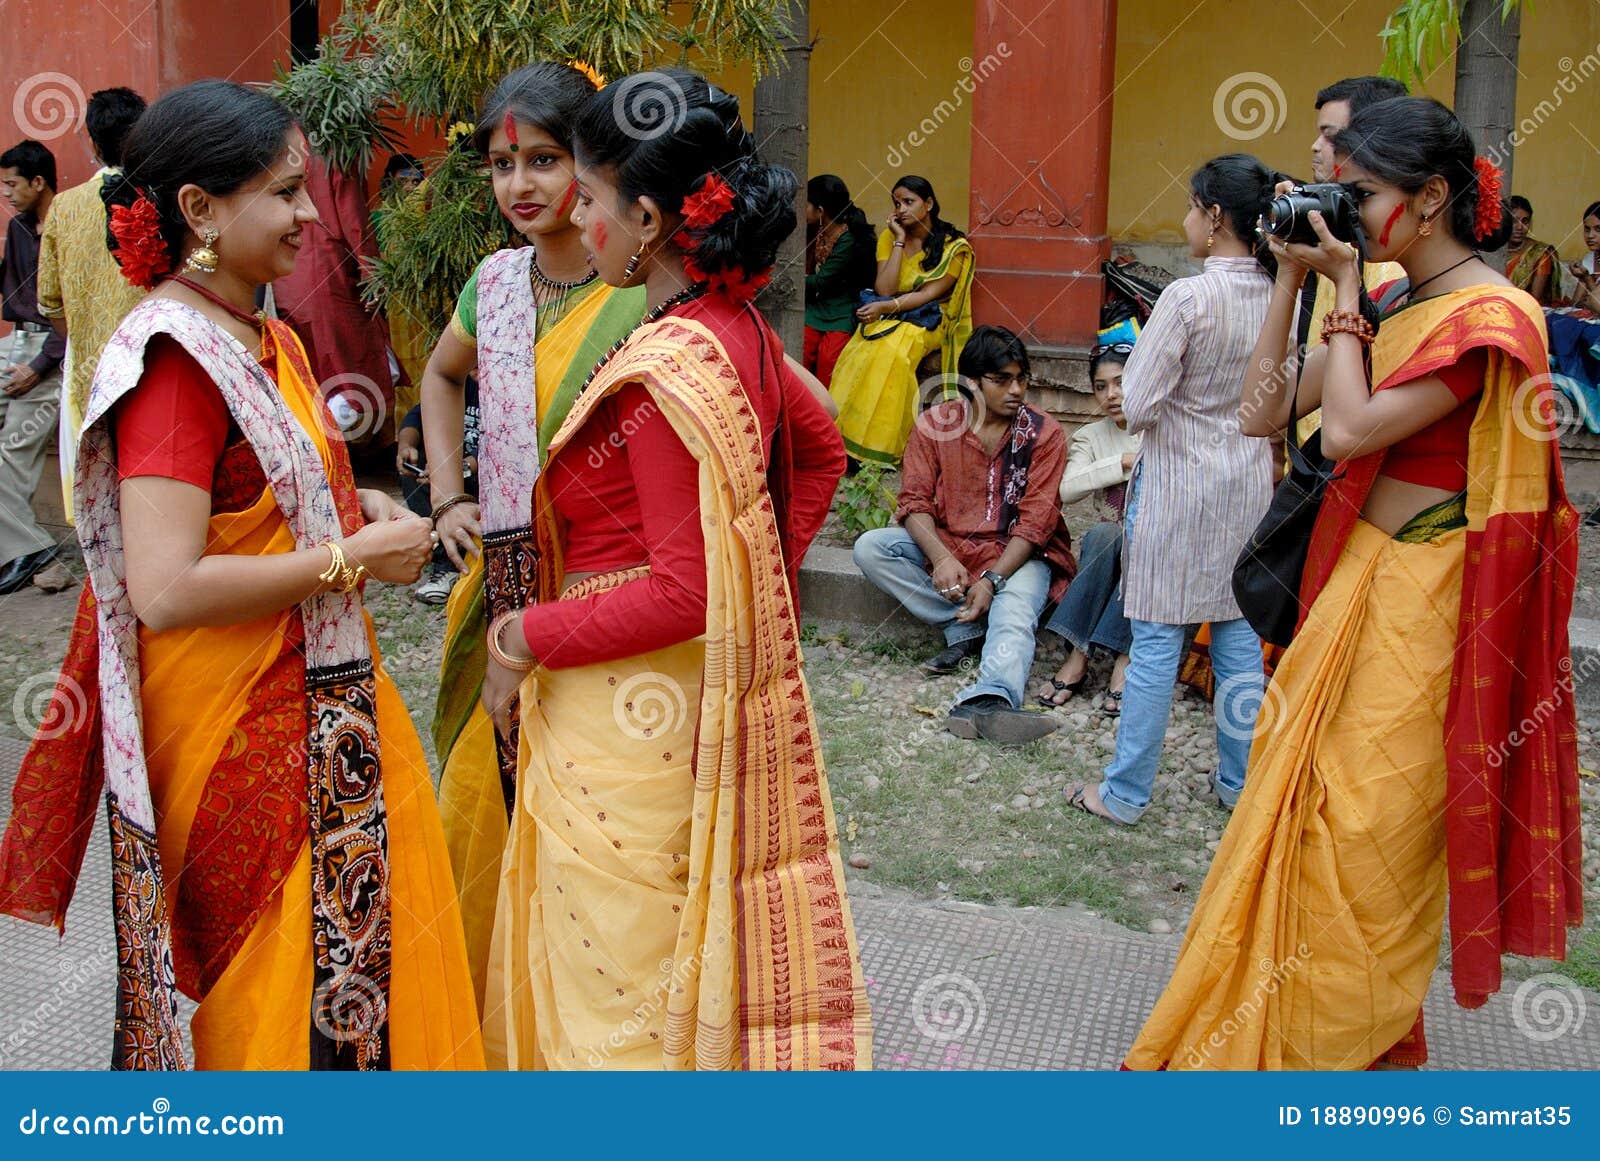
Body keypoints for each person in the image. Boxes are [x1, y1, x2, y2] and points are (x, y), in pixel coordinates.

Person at [0, 81, 483, 1071]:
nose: (310, 215)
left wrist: (361, 518)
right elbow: (167, 585)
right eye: (285, 192)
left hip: (322, 702)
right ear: (200, 210)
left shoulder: (262, 337)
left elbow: (268, 510)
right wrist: (348, 559)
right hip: (243, 740)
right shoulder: (177, 361)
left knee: (360, 978)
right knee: (293, 997)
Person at [1132, 96, 1583, 1070]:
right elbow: (1258, 415)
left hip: (1427, 611)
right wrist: (1294, 283)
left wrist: (1340, 286)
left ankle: (1328, 1058)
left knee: (1369, 835)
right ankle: (1269, 1038)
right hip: (1354, 591)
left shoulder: (1492, 319)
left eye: (1361, 194)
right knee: (1301, 820)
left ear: (1428, 200)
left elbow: (1342, 433)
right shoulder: (1386, 303)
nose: (1347, 212)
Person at [479, 68, 868, 1070]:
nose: (576, 214)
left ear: (647, 216)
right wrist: (757, 588)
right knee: (665, 979)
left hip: (622, 720)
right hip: (686, 702)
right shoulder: (728, 331)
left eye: (592, 198)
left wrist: (519, 636)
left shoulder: (664, 367)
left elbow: (683, 590)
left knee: (613, 1010)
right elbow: (817, 452)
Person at [420, 62, 646, 1010]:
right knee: (485, 798)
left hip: (601, 590)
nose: (520, 185)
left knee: (598, 820)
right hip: (501, 584)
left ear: (590, 164)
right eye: (502, 163)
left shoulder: (640, 285)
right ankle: (489, 1011)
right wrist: (445, 500)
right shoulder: (495, 283)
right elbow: (440, 377)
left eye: (544, 160)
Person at [1066, 154, 1276, 826]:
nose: (1186, 221)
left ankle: (1125, 792)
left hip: (1180, 482)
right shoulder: (1280, 293)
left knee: (1156, 634)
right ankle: (1239, 784)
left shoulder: (1188, 297)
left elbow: (1140, 401)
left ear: (1215, 217)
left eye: (1192, 207)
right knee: (1237, 632)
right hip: (1245, 480)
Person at [855, 325, 1075, 744]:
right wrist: (940, 557)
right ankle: (965, 627)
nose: (1017, 389)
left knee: (1012, 618)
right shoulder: (935, 426)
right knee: (871, 548)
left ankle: (991, 698)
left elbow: (1035, 523)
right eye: (1002, 379)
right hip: (951, 548)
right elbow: (913, 503)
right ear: (971, 383)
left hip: (1018, 554)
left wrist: (992, 580)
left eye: (1022, 378)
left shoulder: (1044, 434)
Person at [36, 87, 147, 528]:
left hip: (90, 372)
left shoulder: (64, 207)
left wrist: (86, 338)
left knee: (105, 497)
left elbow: (49, 301)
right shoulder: (166, 194)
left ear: (94, 143)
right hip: (158, 359)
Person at [829, 175, 975, 464]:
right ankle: (843, 439)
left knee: (893, 352)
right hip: (894, 312)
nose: (902, 209)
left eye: (909, 202)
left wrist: (886, 309)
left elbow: (929, 294)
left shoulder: (953, 246)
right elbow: (885, 289)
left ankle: (878, 447)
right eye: (897, 203)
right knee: (858, 349)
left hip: (931, 319)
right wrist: (898, 241)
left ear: (929, 203)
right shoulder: (889, 237)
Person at [1035, 341, 1138, 712]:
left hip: (1159, 548)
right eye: (1101, 386)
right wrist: (1122, 462)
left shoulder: (1164, 426)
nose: (1112, 394)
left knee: (1143, 543)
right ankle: (1078, 655)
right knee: (1102, 534)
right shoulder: (1091, 437)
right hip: (1109, 547)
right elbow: (1067, 488)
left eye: (1121, 382)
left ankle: (1123, 660)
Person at [272, 147, 393, 445]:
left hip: (287, 274)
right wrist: (371, 270)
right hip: (330, 270)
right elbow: (353, 216)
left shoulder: (274, 150)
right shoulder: (334, 150)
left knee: (309, 364)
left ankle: (320, 441)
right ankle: (335, 449)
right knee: (348, 359)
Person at [0, 139, 65, 594]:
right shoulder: (19, 229)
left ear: (37, 182)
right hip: (16, 344)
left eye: (11, 185)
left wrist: (39, 366)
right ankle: (21, 546)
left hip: (51, 355)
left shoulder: (71, 225)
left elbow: (74, 311)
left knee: (11, 452)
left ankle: (32, 550)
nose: (6, 194)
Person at [394, 377, 478, 604]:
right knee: (415, 470)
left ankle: (470, 562)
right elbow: (416, 418)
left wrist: (456, 469)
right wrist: (405, 446)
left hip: (483, 476)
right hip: (449, 476)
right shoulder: (461, 384)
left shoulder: (509, 386)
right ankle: (446, 561)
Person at [803, 174, 875, 386]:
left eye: (806, 204)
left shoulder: (848, 239)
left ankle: (825, 415)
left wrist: (790, 277)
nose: (802, 209)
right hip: (816, 306)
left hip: (843, 309)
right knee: (801, 350)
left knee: (828, 361)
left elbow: (822, 281)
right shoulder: (814, 230)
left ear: (821, 210)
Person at [1504, 195, 1560, 305]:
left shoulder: (1539, 253)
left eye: (1525, 221)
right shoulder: (1492, 249)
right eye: (1514, 221)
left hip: (1526, 310)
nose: (1520, 227)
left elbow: (1534, 299)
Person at [1566, 200, 1600, 310]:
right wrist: (1584, 278)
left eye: (1598, 229)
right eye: (1587, 229)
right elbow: (1575, 304)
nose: (1590, 236)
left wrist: (1587, 278)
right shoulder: (1590, 259)